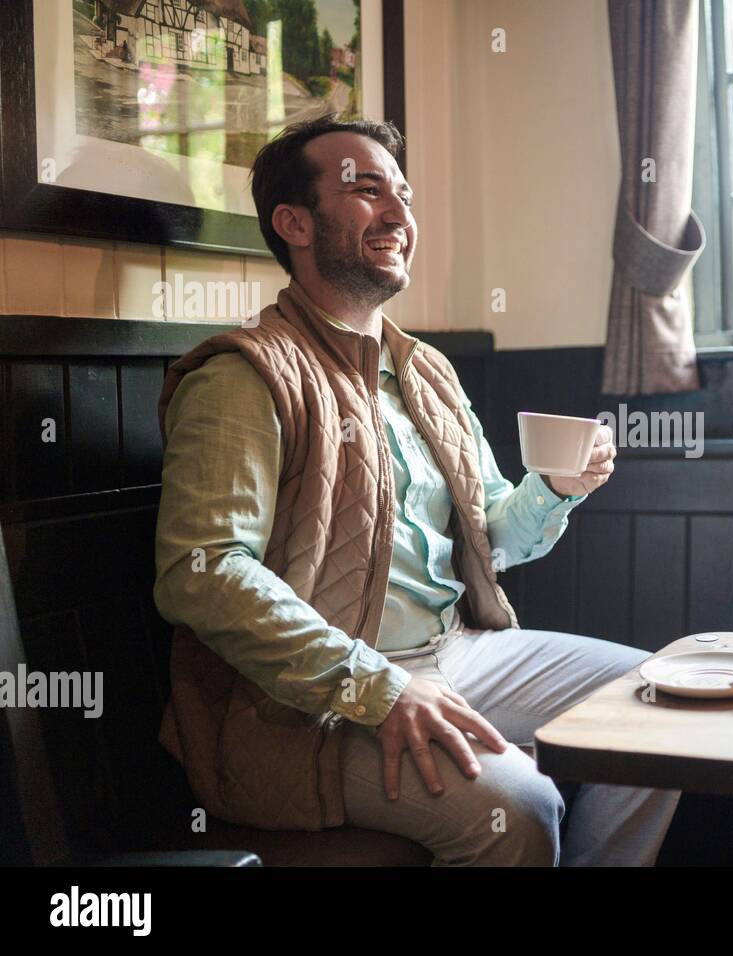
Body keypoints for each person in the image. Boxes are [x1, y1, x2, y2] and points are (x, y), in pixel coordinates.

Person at [153, 113, 680, 866]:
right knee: (521, 807)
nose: (401, 214)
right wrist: (379, 686)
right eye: (367, 191)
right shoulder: (243, 376)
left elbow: (491, 534)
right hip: (301, 707)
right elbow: (201, 574)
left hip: (458, 651)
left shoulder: (426, 370)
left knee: (658, 704)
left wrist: (553, 488)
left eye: (403, 193)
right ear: (294, 222)